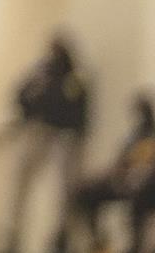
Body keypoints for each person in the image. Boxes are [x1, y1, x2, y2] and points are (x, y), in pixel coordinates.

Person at [13, 35, 92, 253]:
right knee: (23, 185)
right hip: (38, 131)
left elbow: (74, 107)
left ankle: (62, 237)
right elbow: (21, 94)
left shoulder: (73, 76)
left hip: (64, 137)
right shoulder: (41, 72)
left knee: (63, 191)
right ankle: (15, 235)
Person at [63, 94, 155, 253]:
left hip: (146, 186)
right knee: (85, 189)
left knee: (140, 193)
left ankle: (135, 246)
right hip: (125, 181)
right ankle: (98, 244)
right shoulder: (133, 137)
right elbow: (121, 163)